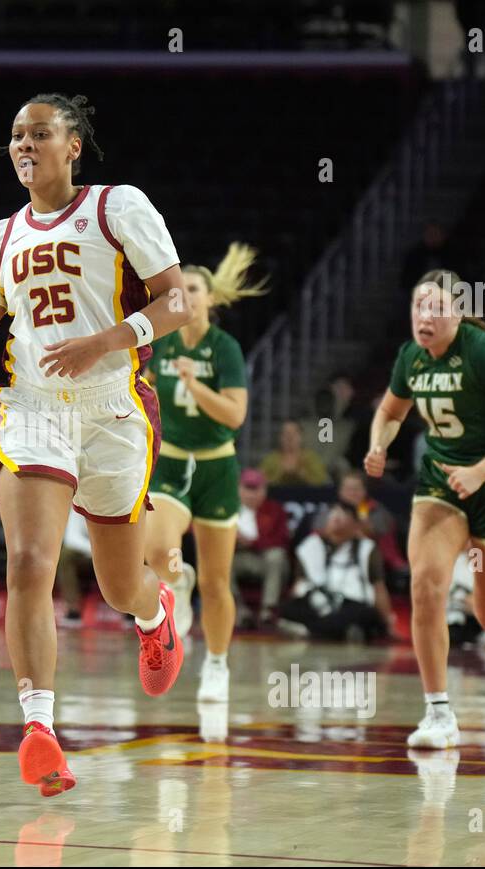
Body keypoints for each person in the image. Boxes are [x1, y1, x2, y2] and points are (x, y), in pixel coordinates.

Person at [0, 93, 187, 796]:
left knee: (118, 585)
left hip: (114, 406)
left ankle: (155, 613)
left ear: (73, 144)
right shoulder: (2, 235)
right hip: (33, 408)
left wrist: (107, 341)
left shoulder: (119, 206)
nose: (25, 145)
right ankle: (40, 729)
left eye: (40, 133)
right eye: (17, 136)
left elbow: (177, 301)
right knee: (27, 562)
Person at [366, 269, 485, 749]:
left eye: (436, 307)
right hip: (441, 484)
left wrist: (481, 472)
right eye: (418, 306)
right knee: (426, 586)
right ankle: (439, 714)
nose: (425, 316)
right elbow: (390, 411)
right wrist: (379, 445)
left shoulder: (482, 352)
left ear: (459, 313)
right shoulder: (411, 356)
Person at [143, 242, 260, 707]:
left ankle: (216, 664)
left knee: (218, 582)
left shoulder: (224, 348)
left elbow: (234, 415)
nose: (186, 296)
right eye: (181, 289)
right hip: (171, 461)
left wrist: (194, 384)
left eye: (195, 289)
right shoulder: (163, 342)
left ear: (210, 299)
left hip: (216, 466)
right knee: (156, 548)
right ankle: (177, 580)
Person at [277, 501, 393, 641]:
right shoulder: (310, 546)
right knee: (288, 609)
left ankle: (311, 631)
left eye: (343, 516)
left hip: (351, 604)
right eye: (332, 516)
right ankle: (340, 631)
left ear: (356, 525)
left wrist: (388, 623)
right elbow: (299, 582)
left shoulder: (367, 548)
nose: (336, 519)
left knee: (366, 614)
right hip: (318, 603)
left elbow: (378, 586)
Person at [231, 468, 290, 629]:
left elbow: (280, 542)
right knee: (218, 561)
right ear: (239, 488)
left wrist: (250, 542)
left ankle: (268, 612)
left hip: (268, 563)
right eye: (247, 489)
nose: (251, 495)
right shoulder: (229, 509)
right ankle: (239, 611)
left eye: (255, 489)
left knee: (276, 556)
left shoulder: (275, 510)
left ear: (264, 490)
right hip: (240, 559)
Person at [260, 419, 330, 486]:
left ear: (301, 436)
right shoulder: (271, 459)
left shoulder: (311, 458)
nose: (290, 437)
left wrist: (303, 474)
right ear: (280, 437)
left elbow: (322, 481)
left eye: (294, 433)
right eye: (286, 433)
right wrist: (280, 474)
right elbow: (259, 480)